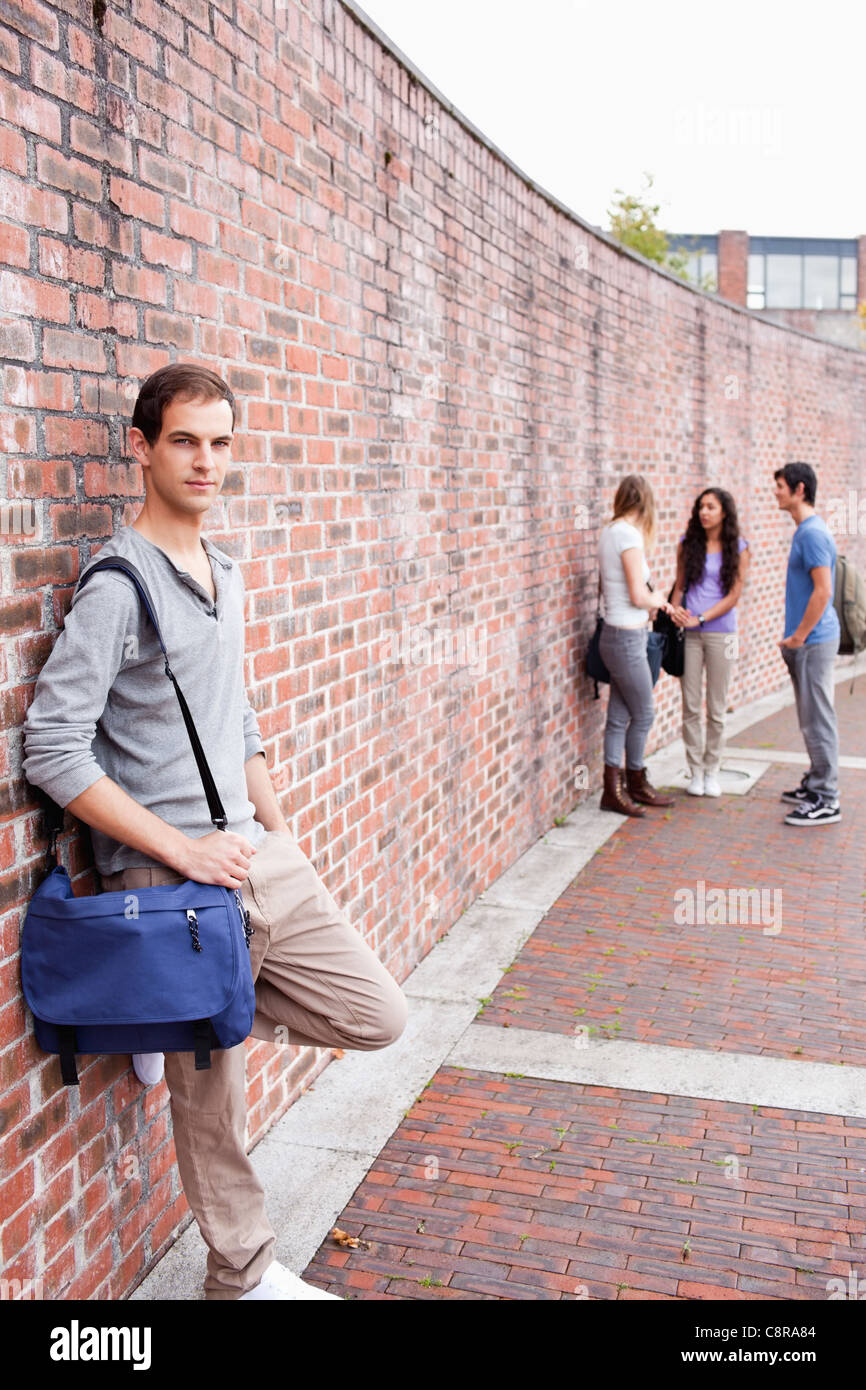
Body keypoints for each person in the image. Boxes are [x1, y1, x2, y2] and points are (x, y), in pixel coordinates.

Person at [22, 363, 409, 1300]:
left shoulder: (226, 573)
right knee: (216, 1109)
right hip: (171, 887)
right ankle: (241, 1275)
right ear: (143, 448)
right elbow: (53, 749)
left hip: (255, 857)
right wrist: (182, 850)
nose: (205, 461)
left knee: (379, 1015)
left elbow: (236, 718)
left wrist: (281, 833)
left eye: (221, 442)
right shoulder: (118, 587)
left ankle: (167, 1015)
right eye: (185, 440)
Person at [597, 474, 676, 817]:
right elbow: (637, 594)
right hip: (627, 638)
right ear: (645, 503)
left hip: (616, 634)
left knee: (619, 716)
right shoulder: (628, 535)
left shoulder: (609, 532)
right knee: (643, 713)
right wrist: (658, 599)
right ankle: (634, 783)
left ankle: (613, 791)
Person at [773, 461, 841, 826]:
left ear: (800, 489)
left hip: (814, 641)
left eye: (781, 485)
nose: (776, 491)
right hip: (807, 641)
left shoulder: (812, 533)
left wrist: (799, 636)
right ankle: (816, 782)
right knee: (809, 718)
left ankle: (827, 799)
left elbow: (824, 591)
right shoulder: (805, 531)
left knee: (818, 719)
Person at [670, 488, 750, 797]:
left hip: (723, 634)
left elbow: (734, 596)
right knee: (690, 705)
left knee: (716, 707)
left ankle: (712, 770)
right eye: (701, 507)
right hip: (688, 635)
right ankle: (696, 771)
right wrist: (676, 611)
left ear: (724, 513)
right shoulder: (687, 545)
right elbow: (679, 586)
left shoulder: (740, 548)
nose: (704, 512)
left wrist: (701, 618)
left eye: (711, 507)